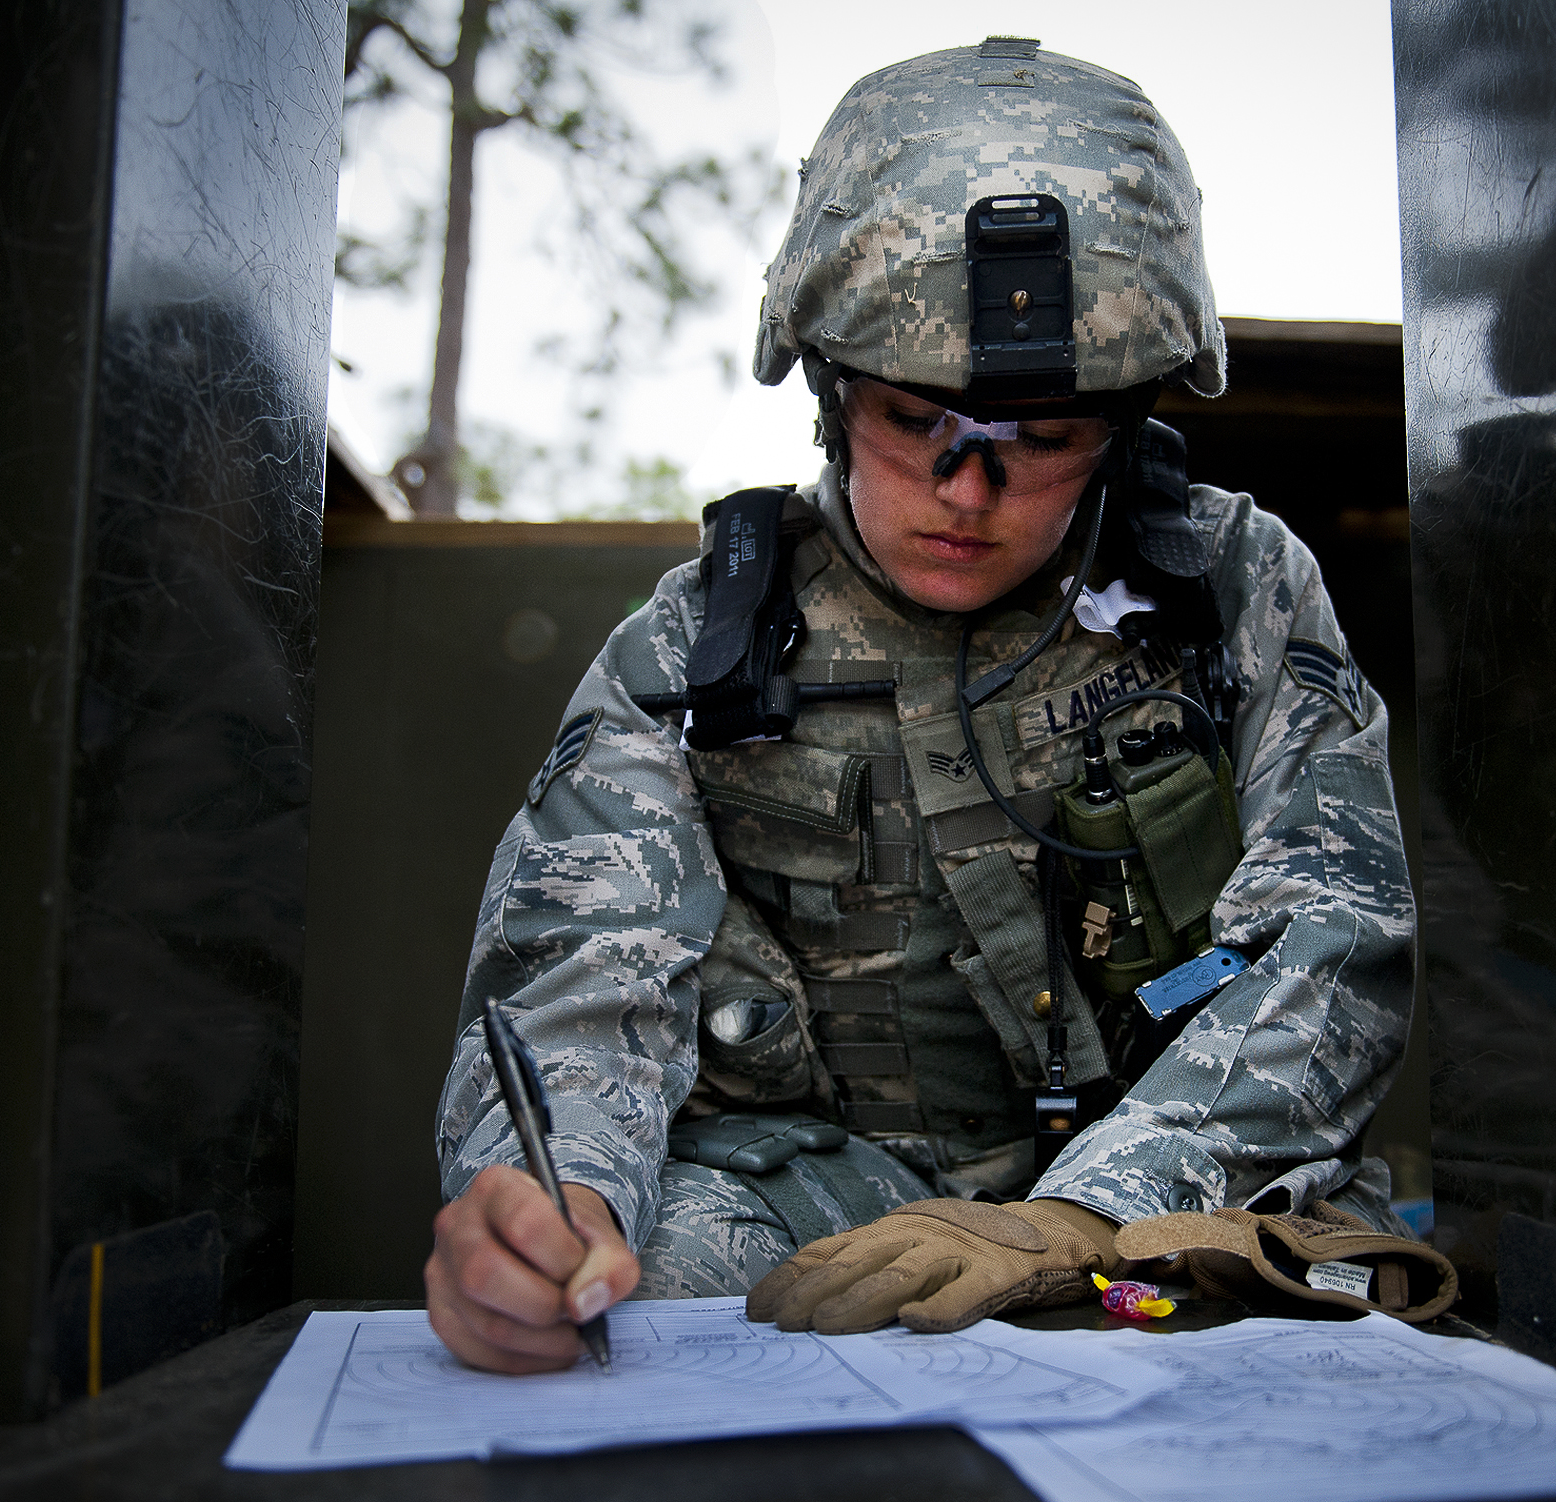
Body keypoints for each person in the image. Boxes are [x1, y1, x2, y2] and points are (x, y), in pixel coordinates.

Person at [423, 37, 1415, 1374]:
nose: (966, 491)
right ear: (829, 393)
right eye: (913, 422)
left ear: (1123, 427)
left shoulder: (1235, 590)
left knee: (1324, 1318)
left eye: (1042, 439)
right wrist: (556, 1204)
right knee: (635, 1303)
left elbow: (1329, 939)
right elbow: (587, 962)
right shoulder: (698, 644)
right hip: (834, 1198)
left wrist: (1086, 1217)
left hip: (1166, 1196)